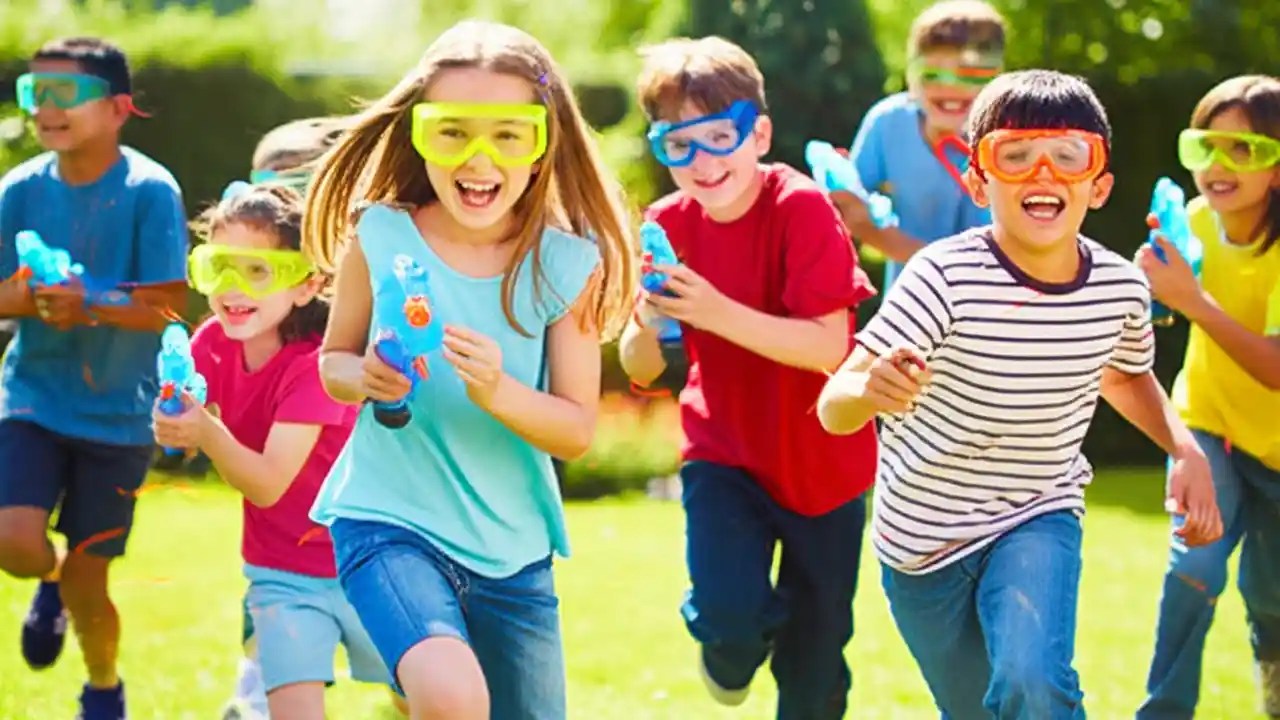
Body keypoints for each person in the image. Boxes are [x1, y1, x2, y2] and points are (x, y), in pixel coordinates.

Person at [816, 69, 1224, 719]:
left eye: (1068, 155)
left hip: (1037, 512)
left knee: (1034, 683)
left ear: (1099, 185)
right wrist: (869, 390)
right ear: (978, 182)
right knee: (977, 709)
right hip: (921, 545)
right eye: (1016, 155)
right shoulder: (941, 277)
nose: (1043, 173)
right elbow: (834, 406)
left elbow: (1122, 375)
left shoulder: (1118, 290)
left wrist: (1185, 448)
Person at [302, 19, 635, 720]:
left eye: (507, 135)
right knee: (452, 696)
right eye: (451, 131)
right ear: (418, 134)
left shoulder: (564, 264)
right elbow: (334, 362)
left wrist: (497, 390)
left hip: (513, 554)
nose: (478, 159)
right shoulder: (381, 234)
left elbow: (576, 430)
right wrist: (365, 378)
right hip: (386, 521)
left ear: (543, 146)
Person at [618, 36, 879, 719]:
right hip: (724, 452)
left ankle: (791, 650)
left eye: (719, 137)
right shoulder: (665, 225)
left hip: (824, 464)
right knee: (728, 618)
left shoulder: (801, 207)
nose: (703, 162)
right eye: (679, 145)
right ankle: (729, 646)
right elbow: (642, 367)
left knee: (815, 664)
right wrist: (646, 320)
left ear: (758, 134)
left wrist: (713, 311)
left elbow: (828, 347)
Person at [153, 182, 393, 719]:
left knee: (416, 699)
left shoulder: (313, 366)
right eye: (219, 266)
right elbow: (187, 428)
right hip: (281, 570)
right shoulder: (210, 344)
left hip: (368, 564)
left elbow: (266, 482)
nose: (232, 287)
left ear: (306, 285)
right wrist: (173, 426)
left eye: (257, 270)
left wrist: (204, 432)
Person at [0, 36, 189, 718]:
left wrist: (92, 302)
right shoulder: (18, 190)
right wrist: (33, 299)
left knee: (91, 579)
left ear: (117, 109)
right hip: (32, 398)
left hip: (120, 416)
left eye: (64, 93)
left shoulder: (150, 191)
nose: (44, 108)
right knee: (13, 542)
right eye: (33, 93)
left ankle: (103, 686)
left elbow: (168, 304)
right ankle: (48, 577)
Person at [1135, 74, 1280, 720]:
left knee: (1272, 599)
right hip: (1207, 427)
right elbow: (1158, 315)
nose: (1218, 166)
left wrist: (1191, 301)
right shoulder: (1193, 221)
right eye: (1205, 146)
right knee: (1194, 568)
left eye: (1243, 149)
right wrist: (1147, 291)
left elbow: (1275, 367)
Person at [209, 114, 355, 720]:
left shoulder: (345, 314)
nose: (276, 208)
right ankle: (257, 692)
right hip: (282, 551)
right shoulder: (236, 325)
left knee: (412, 682)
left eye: (296, 191)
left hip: (365, 539)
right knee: (275, 605)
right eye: (261, 191)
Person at [837, 0, 1005, 289]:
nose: (950, 87)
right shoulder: (889, 124)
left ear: (997, 76)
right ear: (910, 76)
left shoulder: (1014, 137)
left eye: (970, 74)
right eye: (932, 74)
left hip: (992, 302)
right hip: (909, 301)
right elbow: (850, 212)